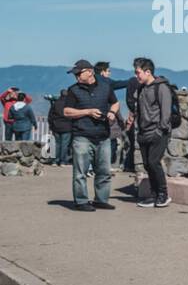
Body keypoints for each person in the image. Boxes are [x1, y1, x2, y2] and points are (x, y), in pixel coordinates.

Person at [61, 60, 120, 211]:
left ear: (90, 72)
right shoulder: (73, 90)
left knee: (104, 171)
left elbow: (115, 103)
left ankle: (101, 200)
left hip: (103, 135)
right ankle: (81, 202)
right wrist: (87, 111)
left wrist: (112, 113)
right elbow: (66, 111)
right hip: (82, 136)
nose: (76, 77)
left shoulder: (105, 88)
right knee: (80, 172)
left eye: (78, 74)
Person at [131, 59, 174, 208]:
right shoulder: (141, 88)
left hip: (158, 132)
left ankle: (163, 194)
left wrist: (159, 131)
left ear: (147, 72)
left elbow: (166, 112)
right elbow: (138, 109)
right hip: (143, 132)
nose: (136, 76)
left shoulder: (161, 88)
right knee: (147, 165)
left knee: (154, 162)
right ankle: (154, 195)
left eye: (138, 72)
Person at [49, 89, 73, 165]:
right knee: (64, 145)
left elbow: (50, 116)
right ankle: (63, 161)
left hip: (56, 127)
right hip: (67, 127)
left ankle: (55, 161)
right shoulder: (70, 104)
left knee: (57, 144)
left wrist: (51, 125)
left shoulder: (55, 103)